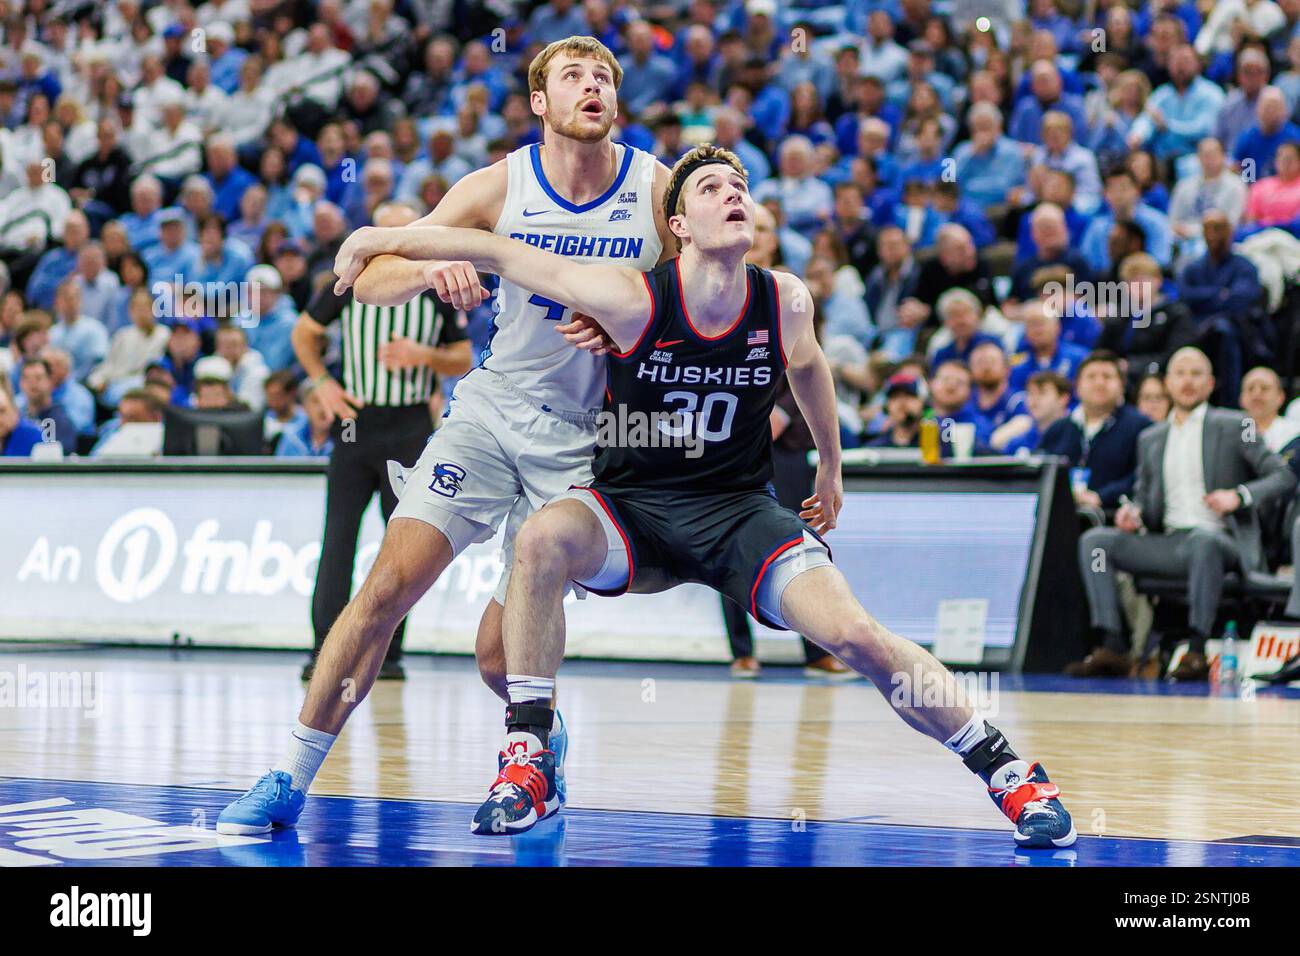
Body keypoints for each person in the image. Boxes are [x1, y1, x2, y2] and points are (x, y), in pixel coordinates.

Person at [370, 144, 1074, 846]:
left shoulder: (784, 297)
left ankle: (1012, 775)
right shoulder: (632, 296)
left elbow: (811, 367)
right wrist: (385, 239)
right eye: (711, 187)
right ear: (678, 224)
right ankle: (529, 758)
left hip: (737, 512)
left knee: (858, 635)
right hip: (632, 508)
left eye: (740, 184)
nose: (733, 193)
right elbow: (499, 251)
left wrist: (831, 466)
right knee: (542, 537)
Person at [216, 37, 676, 837]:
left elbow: (705, 299)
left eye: (603, 75)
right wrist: (433, 270)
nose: (592, 85)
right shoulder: (501, 184)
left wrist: (637, 326)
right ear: (541, 102)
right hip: (489, 413)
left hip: (581, 438)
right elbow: (371, 275)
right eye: (573, 75)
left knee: (497, 660)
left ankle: (539, 738)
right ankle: (289, 775)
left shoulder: (654, 188)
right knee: (384, 592)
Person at [292, 200, 473, 681]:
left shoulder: (435, 284)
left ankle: (389, 656)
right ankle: (322, 652)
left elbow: (461, 357)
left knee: (406, 548)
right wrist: (321, 384)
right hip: (356, 425)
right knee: (338, 543)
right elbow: (304, 333)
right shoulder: (349, 284)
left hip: (410, 428)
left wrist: (423, 356)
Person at [1075, 348, 1296, 680]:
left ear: (1210, 384)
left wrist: (1239, 496)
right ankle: (1113, 643)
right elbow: (1146, 503)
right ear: (1168, 384)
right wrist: (1132, 515)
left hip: (1222, 542)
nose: (1187, 381)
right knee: (1096, 543)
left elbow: (1284, 476)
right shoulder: (1150, 438)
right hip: (1169, 543)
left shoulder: (1238, 424)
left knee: (1203, 541)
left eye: (1196, 374)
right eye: (1180, 373)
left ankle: (1197, 647)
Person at [1038, 351, 1153, 509]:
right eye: (1091, 377)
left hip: (1111, 517)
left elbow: (1144, 476)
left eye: (1107, 376)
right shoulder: (1057, 429)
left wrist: (1101, 497)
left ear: (1122, 385)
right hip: (1059, 512)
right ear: (1077, 386)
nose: (1099, 383)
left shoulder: (1141, 427)